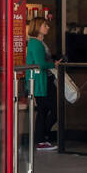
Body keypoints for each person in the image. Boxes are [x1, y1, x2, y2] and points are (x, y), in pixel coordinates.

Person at [25, 17, 57, 151]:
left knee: (43, 111)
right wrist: (54, 64)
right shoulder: (36, 43)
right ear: (38, 27)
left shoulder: (36, 42)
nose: (47, 27)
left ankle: (41, 139)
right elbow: (40, 64)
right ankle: (42, 138)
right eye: (45, 25)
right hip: (41, 82)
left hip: (40, 81)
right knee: (53, 109)